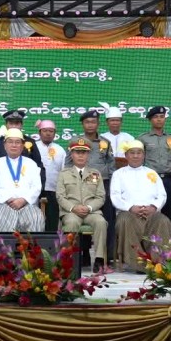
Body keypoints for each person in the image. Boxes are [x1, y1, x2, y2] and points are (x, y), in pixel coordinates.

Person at [110, 140, 171, 273]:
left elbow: (162, 195)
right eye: (132, 153)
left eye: (139, 153)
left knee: (163, 221)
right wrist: (130, 207)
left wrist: (154, 207)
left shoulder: (152, 173)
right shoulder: (119, 174)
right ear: (126, 155)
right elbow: (115, 196)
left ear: (143, 155)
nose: (135, 156)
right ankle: (138, 263)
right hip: (128, 212)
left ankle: (158, 262)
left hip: (151, 213)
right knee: (125, 221)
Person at [65, 110, 116, 260]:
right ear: (83, 124)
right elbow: (68, 165)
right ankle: (84, 253)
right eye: (87, 122)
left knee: (106, 219)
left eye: (93, 122)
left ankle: (108, 255)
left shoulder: (105, 142)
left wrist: (111, 186)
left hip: (102, 184)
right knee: (82, 214)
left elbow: (111, 164)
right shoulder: (75, 141)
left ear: (98, 123)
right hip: (80, 185)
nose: (90, 125)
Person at [56, 139, 107, 273]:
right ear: (71, 154)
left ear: (88, 155)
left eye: (84, 153)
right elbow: (60, 196)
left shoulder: (95, 174)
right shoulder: (64, 174)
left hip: (91, 212)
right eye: (77, 152)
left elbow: (100, 196)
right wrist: (73, 208)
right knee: (71, 223)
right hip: (71, 212)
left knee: (101, 222)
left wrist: (89, 208)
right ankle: (70, 259)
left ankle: (99, 260)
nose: (80, 155)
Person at [0, 128, 44, 232]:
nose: (14, 145)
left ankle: (31, 249)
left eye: (17, 142)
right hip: (4, 204)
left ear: (22, 146)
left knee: (36, 218)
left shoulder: (31, 164)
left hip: (27, 204)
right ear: (5, 145)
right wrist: (8, 199)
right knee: (1, 220)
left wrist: (23, 200)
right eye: (10, 142)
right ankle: (6, 249)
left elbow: (36, 187)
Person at [138, 106, 171, 246]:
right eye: (156, 117)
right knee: (149, 214)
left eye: (162, 117)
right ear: (150, 119)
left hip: (168, 180)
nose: (159, 119)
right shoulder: (143, 138)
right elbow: (139, 163)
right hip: (150, 181)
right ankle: (147, 248)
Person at [0, 109, 45, 185]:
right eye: (11, 123)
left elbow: (38, 166)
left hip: (27, 187)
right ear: (6, 125)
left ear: (21, 125)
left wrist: (39, 190)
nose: (14, 126)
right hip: (4, 187)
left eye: (17, 123)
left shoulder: (30, 142)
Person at [35, 119, 65, 231]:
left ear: (55, 133)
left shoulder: (60, 150)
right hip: (35, 191)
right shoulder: (33, 148)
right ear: (39, 133)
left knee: (52, 222)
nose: (48, 133)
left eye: (51, 131)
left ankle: (51, 246)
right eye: (45, 131)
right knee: (35, 221)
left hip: (53, 191)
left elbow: (63, 171)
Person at [99, 102, 135, 167]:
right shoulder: (102, 137)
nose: (115, 123)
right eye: (112, 120)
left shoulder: (129, 138)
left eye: (117, 120)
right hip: (106, 169)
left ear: (121, 122)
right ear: (107, 122)